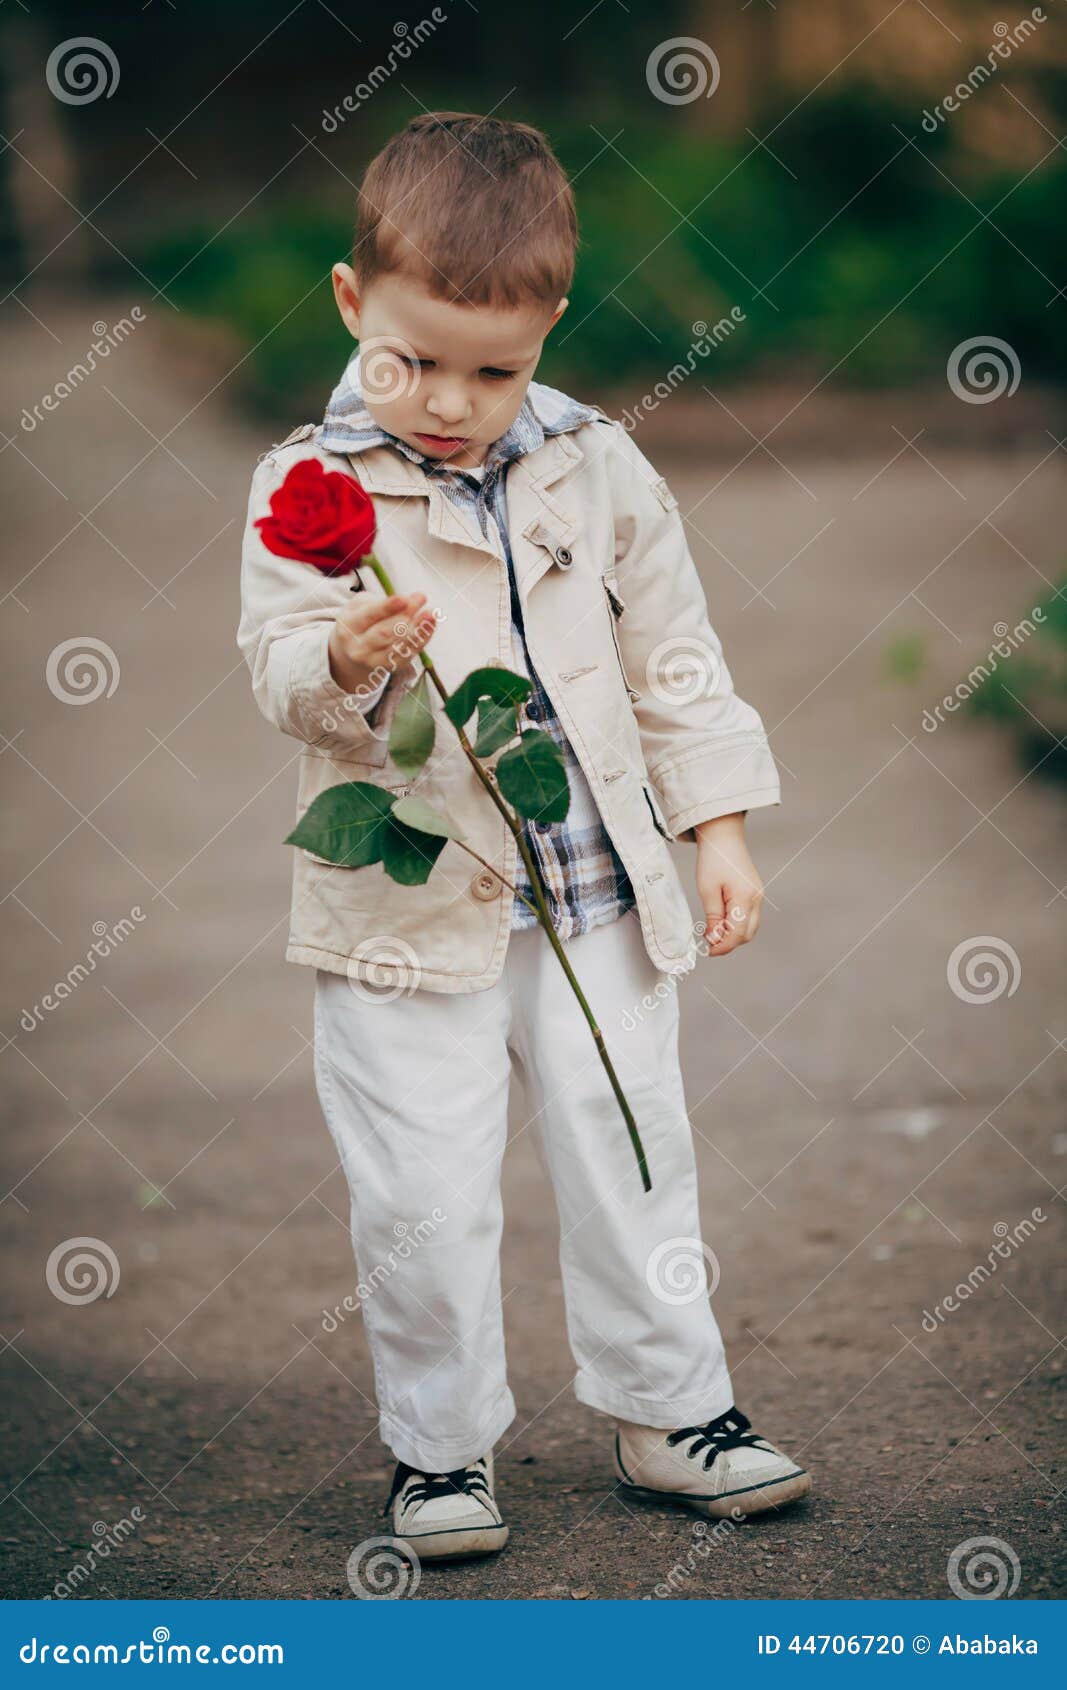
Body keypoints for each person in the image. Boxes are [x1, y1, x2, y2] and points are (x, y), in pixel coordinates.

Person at [237, 112, 810, 1564]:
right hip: (403, 906)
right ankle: (440, 1450)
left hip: (593, 890)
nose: (451, 403)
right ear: (354, 304)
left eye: (496, 370)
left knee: (635, 1143)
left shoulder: (597, 465)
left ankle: (670, 1407)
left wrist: (718, 830)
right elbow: (282, 674)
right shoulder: (307, 488)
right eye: (417, 360)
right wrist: (352, 657)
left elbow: (675, 655)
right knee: (421, 1186)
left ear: (551, 324)